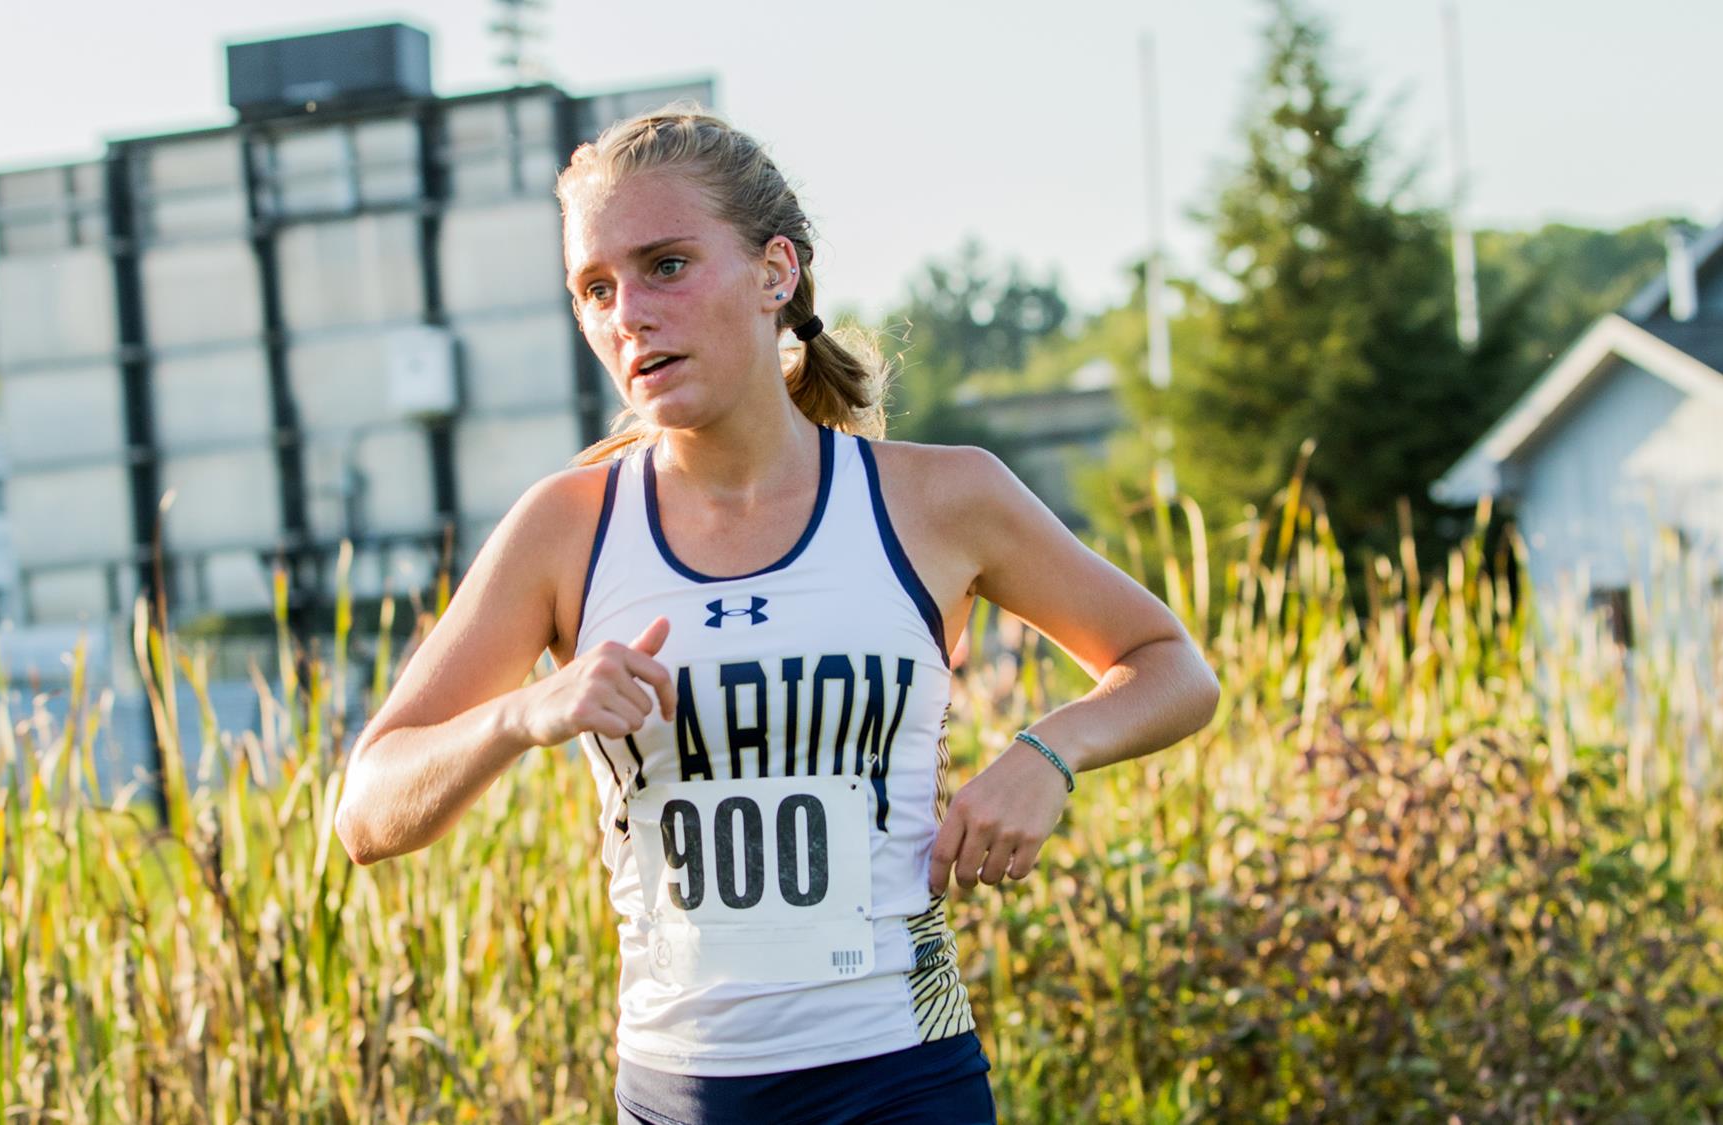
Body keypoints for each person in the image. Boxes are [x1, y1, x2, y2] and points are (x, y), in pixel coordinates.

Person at [334, 106, 1221, 1124]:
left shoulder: (940, 500)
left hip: (902, 1074)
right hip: (678, 1094)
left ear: (775, 272)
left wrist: (1045, 753)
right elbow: (365, 811)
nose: (627, 313)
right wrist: (526, 713)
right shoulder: (566, 529)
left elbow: (1170, 666)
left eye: (664, 264)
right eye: (595, 287)